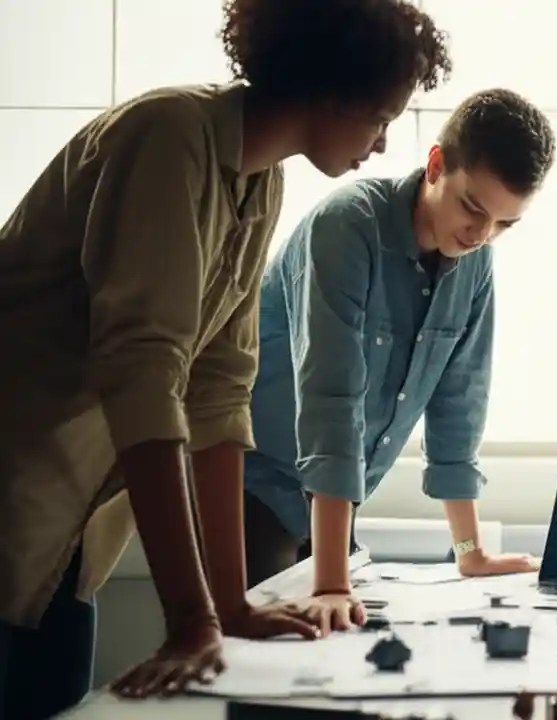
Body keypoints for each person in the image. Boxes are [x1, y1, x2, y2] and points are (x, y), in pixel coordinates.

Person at [0, 0, 449, 713]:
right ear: (333, 91)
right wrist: (191, 618)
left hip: (69, 545)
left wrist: (229, 606)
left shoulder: (260, 180)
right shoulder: (168, 137)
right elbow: (142, 373)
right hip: (19, 489)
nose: (383, 144)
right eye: (381, 116)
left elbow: (217, 391)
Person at [241, 88, 556, 633]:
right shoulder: (346, 227)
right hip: (249, 489)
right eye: (473, 208)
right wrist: (333, 583)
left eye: (504, 224)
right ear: (436, 165)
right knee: (257, 670)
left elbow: (459, 408)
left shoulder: (475, 264)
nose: (481, 235)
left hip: (331, 507)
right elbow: (331, 404)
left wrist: (469, 552)